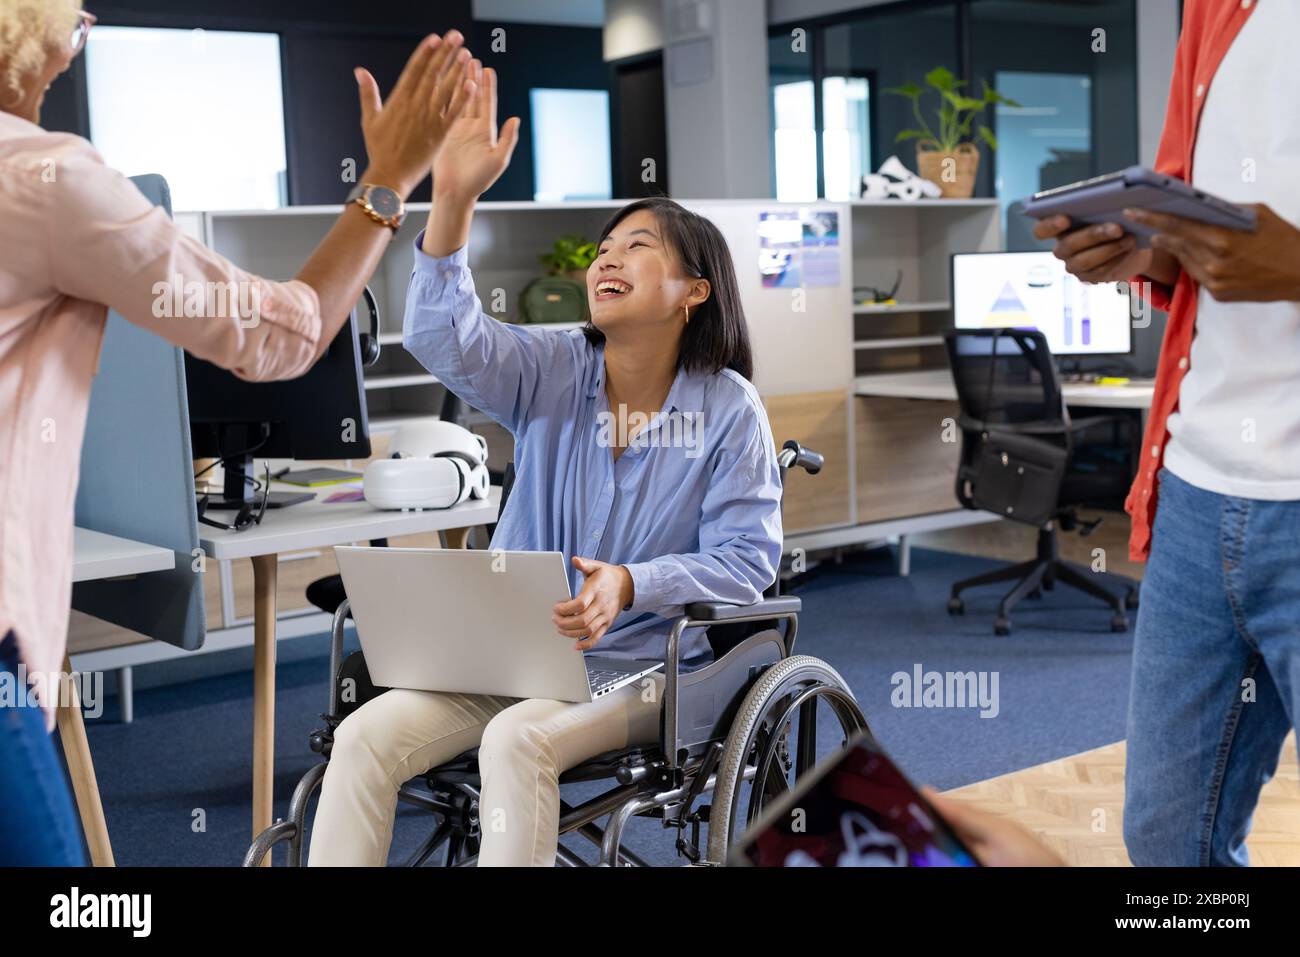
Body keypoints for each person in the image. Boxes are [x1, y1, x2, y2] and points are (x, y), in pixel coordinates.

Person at [0, 1, 481, 865]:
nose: (81, 41)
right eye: (74, 21)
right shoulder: (45, 179)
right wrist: (387, 184)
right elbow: (282, 333)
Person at [308, 63, 785, 868]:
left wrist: (632, 583)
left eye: (637, 247)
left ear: (693, 291)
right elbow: (443, 337)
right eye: (603, 249)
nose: (607, 258)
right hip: (515, 651)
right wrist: (453, 198)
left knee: (516, 740)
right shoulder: (552, 368)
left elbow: (748, 564)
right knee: (362, 734)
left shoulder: (730, 408)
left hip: (645, 666)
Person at [1034, 0, 1300, 865]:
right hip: (1197, 488)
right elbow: (1196, 241)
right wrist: (1138, 249)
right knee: (1168, 844)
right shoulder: (1214, 13)